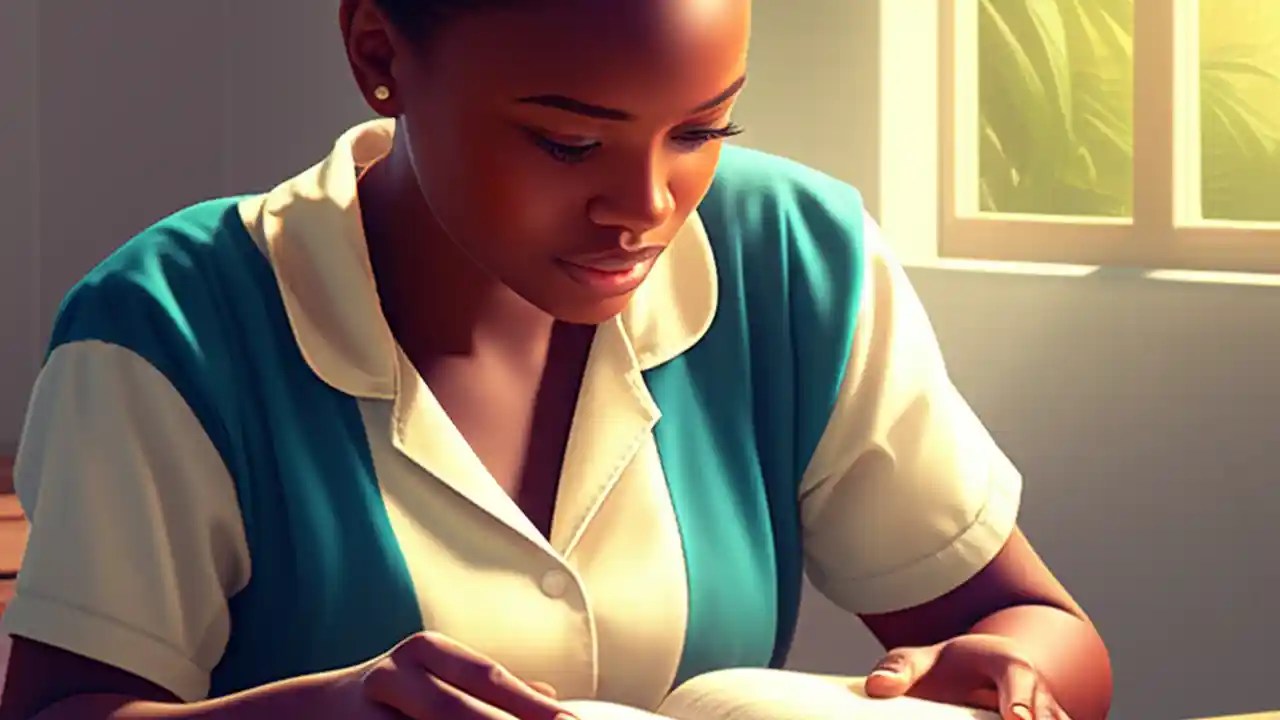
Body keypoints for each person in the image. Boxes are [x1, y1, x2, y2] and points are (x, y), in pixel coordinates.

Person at [0, 1, 1112, 719]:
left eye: (700, 132)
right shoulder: (171, 328)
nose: (646, 208)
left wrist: (1001, 682)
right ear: (379, 55)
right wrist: (324, 711)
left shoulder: (791, 255)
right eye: (569, 142)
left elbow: (1043, 631)